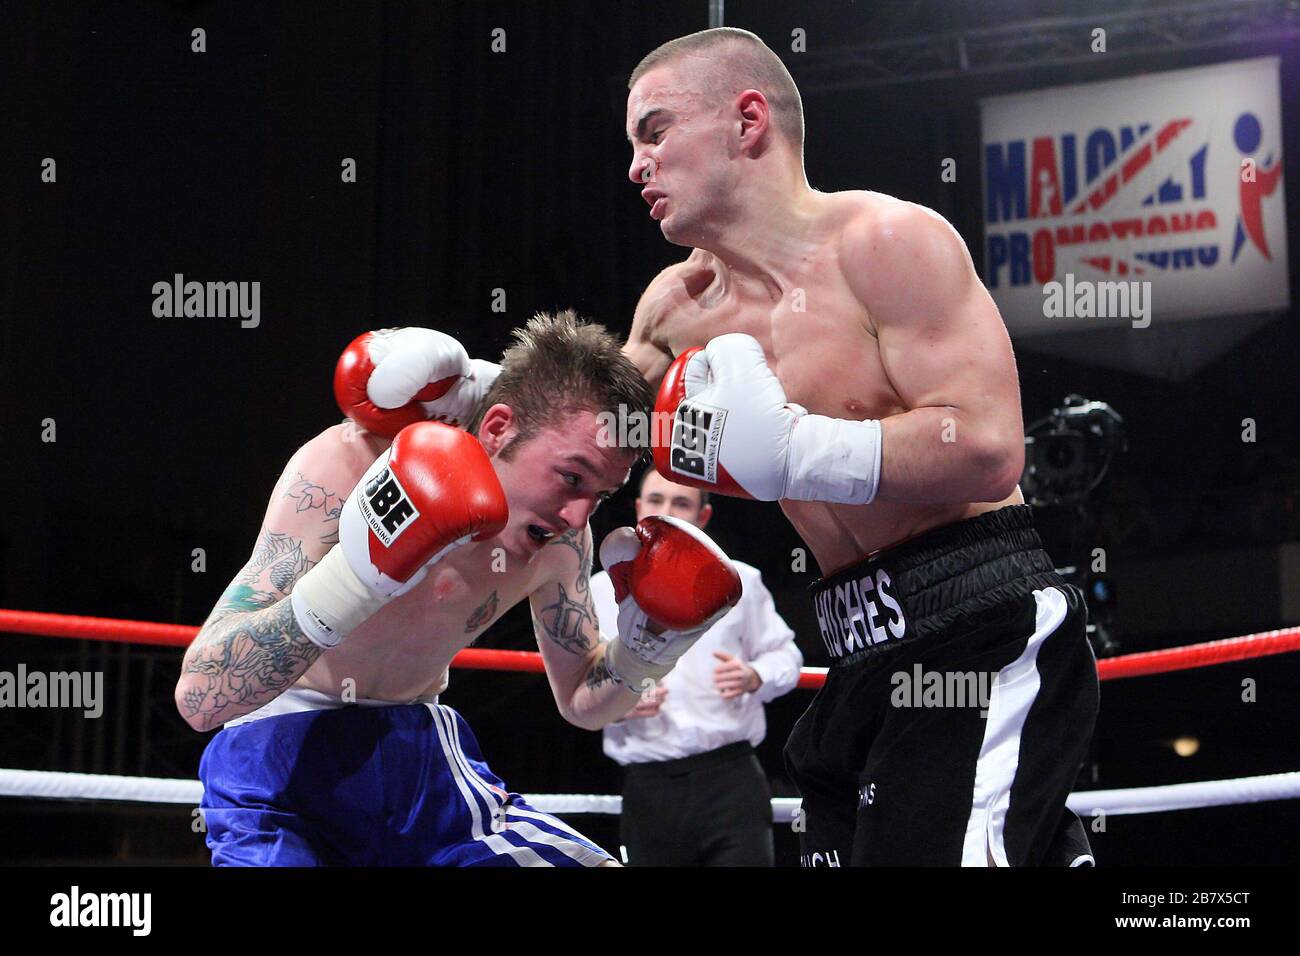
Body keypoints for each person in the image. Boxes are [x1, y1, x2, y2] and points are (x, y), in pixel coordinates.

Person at [619, 28, 1098, 867]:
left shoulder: (885, 243)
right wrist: (477, 402)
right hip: (857, 652)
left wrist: (795, 450)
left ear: (748, 120)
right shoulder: (674, 309)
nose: (636, 165)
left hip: (974, 629)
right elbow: (588, 429)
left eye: (655, 130)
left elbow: (988, 448)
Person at [173, 312, 742, 866]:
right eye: (571, 477)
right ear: (497, 429)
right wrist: (353, 580)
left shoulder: (565, 544)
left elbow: (583, 704)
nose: (576, 514)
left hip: (417, 763)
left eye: (600, 494)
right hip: (276, 764)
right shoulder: (353, 465)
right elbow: (200, 697)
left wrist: (645, 653)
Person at [590, 465, 803, 866]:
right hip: (649, 785)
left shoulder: (741, 582)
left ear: (702, 516)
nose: (667, 511)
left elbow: (786, 657)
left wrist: (755, 676)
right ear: (639, 508)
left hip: (732, 778)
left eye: (681, 503)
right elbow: (579, 682)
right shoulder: (601, 590)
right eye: (656, 500)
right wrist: (615, 704)